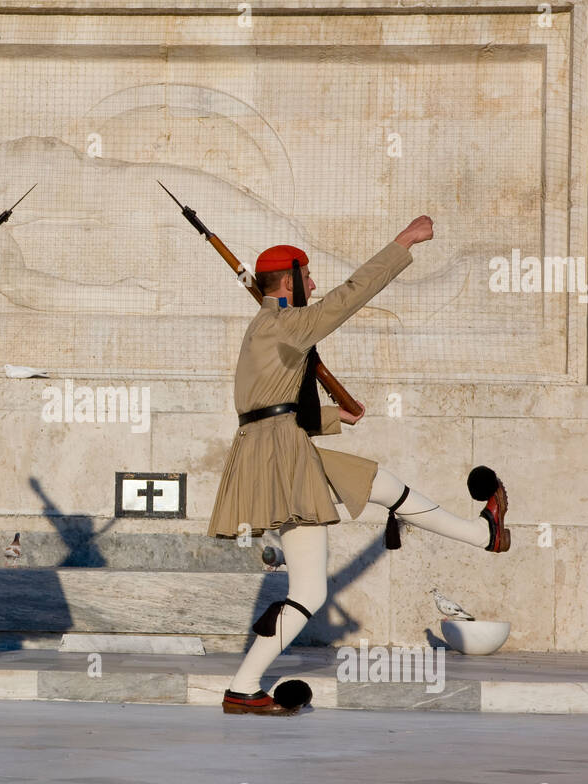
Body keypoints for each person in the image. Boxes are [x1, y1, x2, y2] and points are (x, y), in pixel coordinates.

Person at [206, 216, 510, 715]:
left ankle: (485, 534)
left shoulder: (269, 327)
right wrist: (402, 244)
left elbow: (268, 405)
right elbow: (348, 297)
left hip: (282, 448)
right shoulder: (283, 324)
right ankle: (242, 687)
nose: (315, 285)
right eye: (307, 278)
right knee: (309, 588)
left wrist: (333, 416)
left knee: (377, 481)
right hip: (283, 458)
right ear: (287, 282)